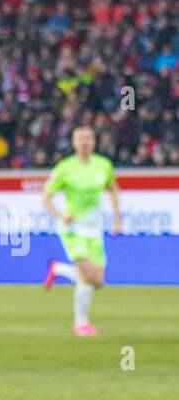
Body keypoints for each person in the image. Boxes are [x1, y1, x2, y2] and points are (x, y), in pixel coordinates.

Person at [41, 125, 121, 336]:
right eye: (80, 139)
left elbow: (113, 190)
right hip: (73, 229)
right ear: (74, 143)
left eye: (88, 138)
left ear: (94, 142)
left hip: (94, 229)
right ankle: (81, 323)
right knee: (88, 278)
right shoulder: (65, 168)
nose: (84, 142)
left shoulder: (103, 165)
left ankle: (57, 269)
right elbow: (46, 198)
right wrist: (61, 215)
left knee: (99, 281)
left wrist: (117, 219)